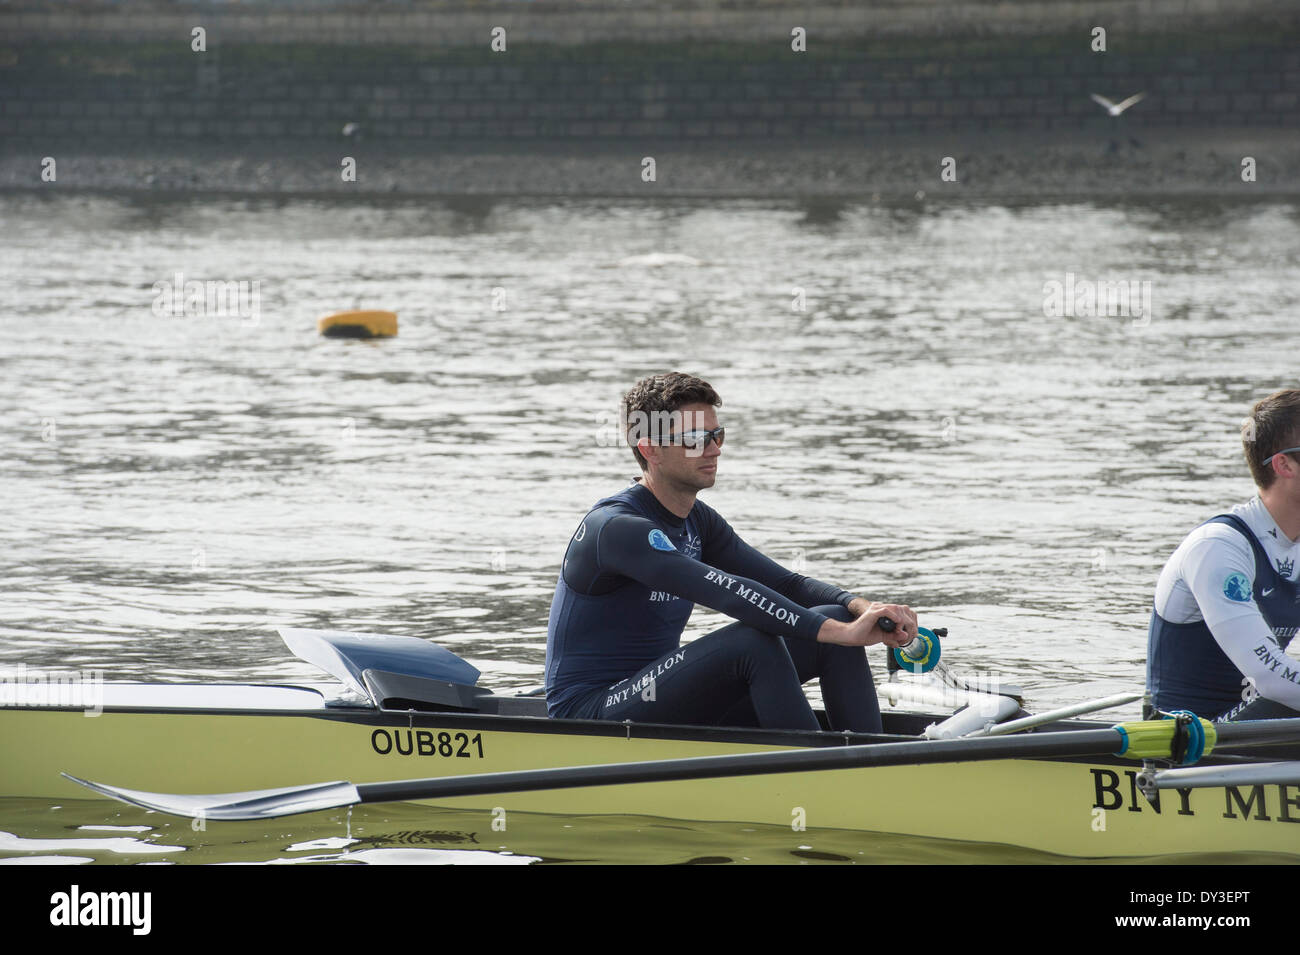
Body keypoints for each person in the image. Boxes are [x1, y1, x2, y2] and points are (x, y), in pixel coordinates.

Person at [544, 372, 918, 733]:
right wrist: (843, 632)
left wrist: (862, 610)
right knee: (753, 642)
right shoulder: (615, 528)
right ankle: (818, 777)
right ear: (650, 449)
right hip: (592, 710)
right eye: (695, 438)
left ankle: (867, 754)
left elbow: (786, 583)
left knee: (831, 616)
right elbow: (728, 592)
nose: (714, 449)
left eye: (716, 434)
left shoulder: (698, 521)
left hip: (658, 697)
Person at [1146, 388, 1300, 721]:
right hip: (1187, 744)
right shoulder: (1218, 548)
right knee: (1280, 700)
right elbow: (1272, 678)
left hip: (1259, 731)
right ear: (1284, 464)